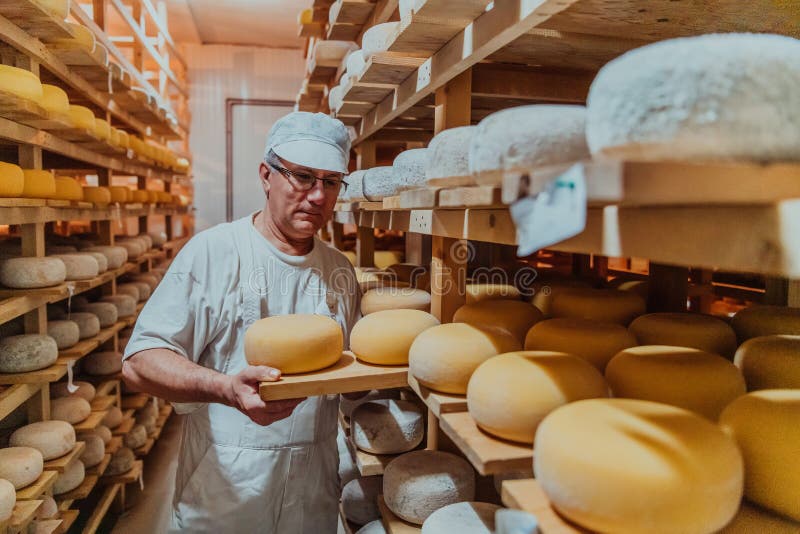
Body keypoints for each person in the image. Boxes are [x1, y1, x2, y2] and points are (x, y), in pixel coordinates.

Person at [122, 112, 360, 533]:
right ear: (266, 175)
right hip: (226, 494)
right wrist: (225, 388)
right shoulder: (213, 253)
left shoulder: (339, 270)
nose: (318, 196)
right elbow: (140, 362)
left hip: (313, 495)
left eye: (331, 182)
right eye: (303, 176)